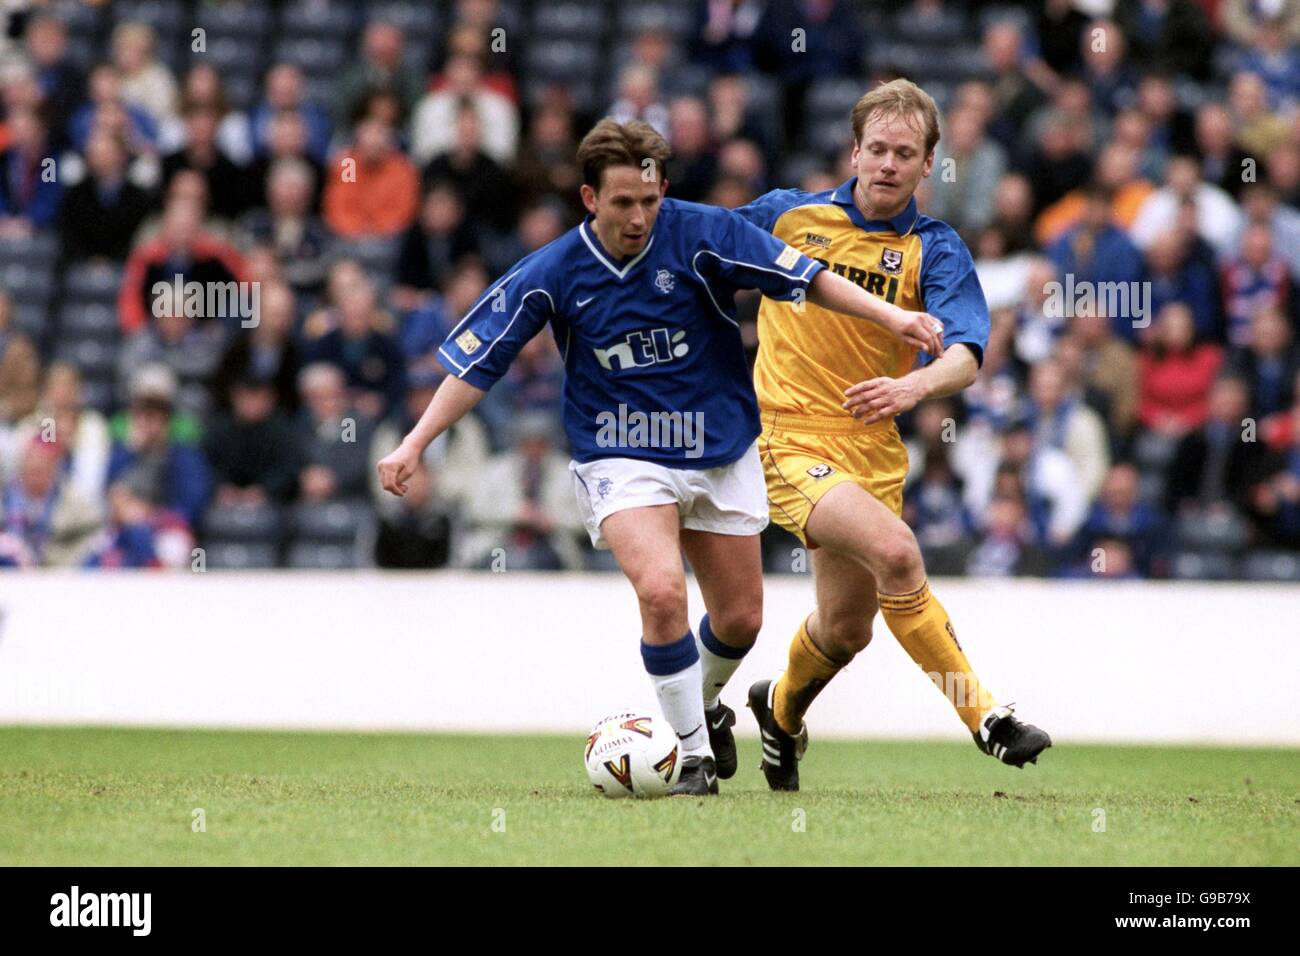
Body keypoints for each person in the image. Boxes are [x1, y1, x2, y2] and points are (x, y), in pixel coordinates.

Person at [378, 118, 940, 796]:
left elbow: (807, 278)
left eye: (649, 200)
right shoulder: (555, 270)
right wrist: (415, 443)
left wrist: (893, 318)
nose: (640, 216)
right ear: (590, 198)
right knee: (662, 590)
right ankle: (693, 757)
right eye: (622, 203)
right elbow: (479, 363)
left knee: (740, 619)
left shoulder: (702, 232)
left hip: (720, 449)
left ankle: (700, 701)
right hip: (620, 454)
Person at [735, 79, 1052, 791]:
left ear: (926, 165)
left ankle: (779, 714)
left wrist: (913, 386)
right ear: (853, 151)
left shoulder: (933, 250)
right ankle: (987, 718)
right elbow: (700, 249)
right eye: (875, 148)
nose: (885, 163)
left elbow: (967, 355)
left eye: (903, 153)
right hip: (787, 439)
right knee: (899, 554)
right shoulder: (787, 217)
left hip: (871, 453)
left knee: (846, 630)